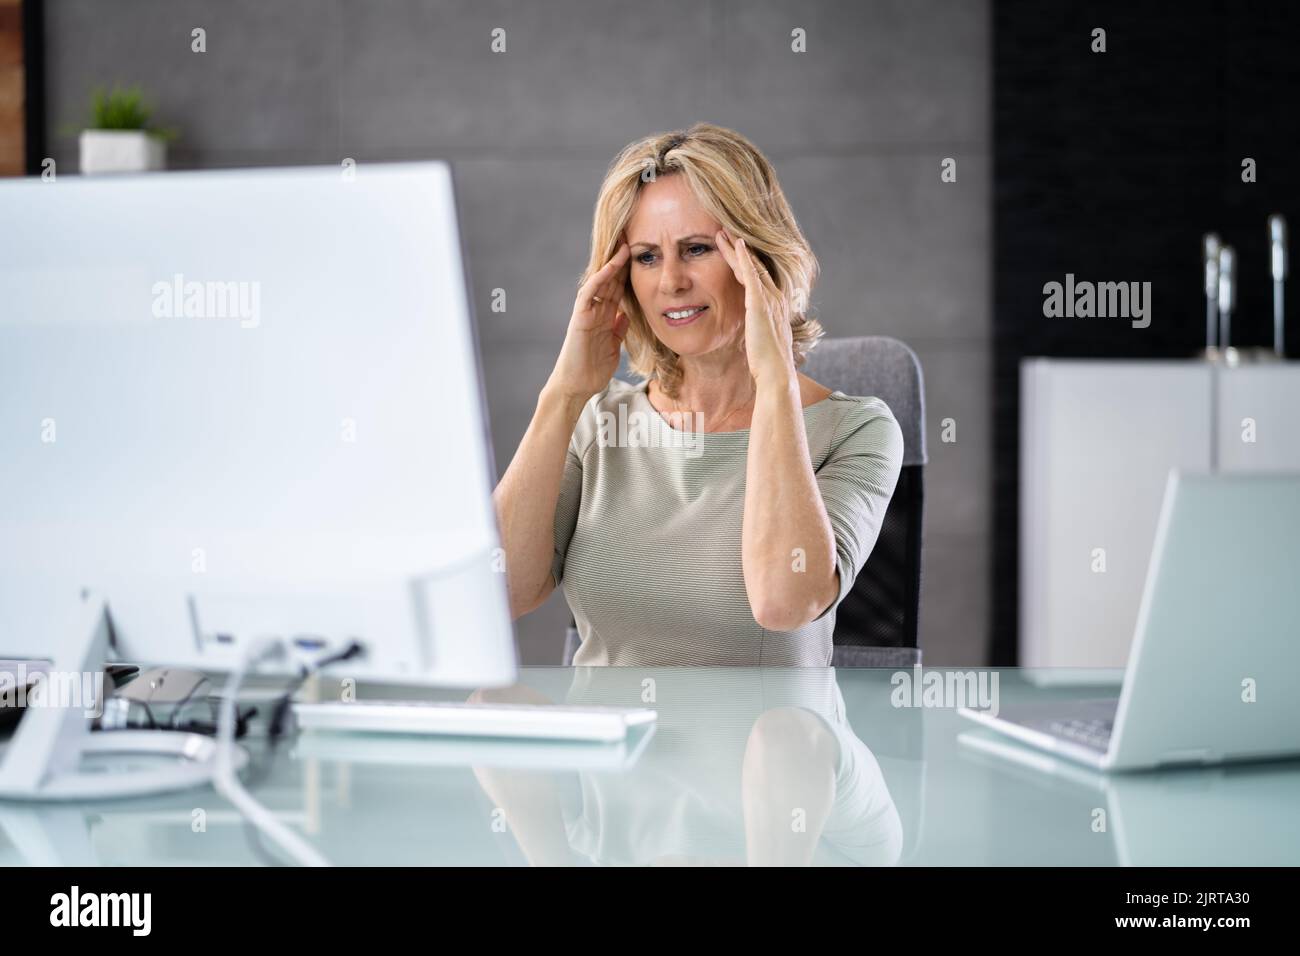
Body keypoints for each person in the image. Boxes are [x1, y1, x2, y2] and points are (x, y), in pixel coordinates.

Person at [492, 122, 903, 666]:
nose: (671, 282)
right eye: (646, 257)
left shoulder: (858, 430)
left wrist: (775, 381)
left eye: (697, 249)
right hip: (615, 743)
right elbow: (496, 595)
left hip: (766, 745)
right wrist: (563, 395)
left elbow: (784, 603)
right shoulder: (598, 421)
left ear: (759, 261)